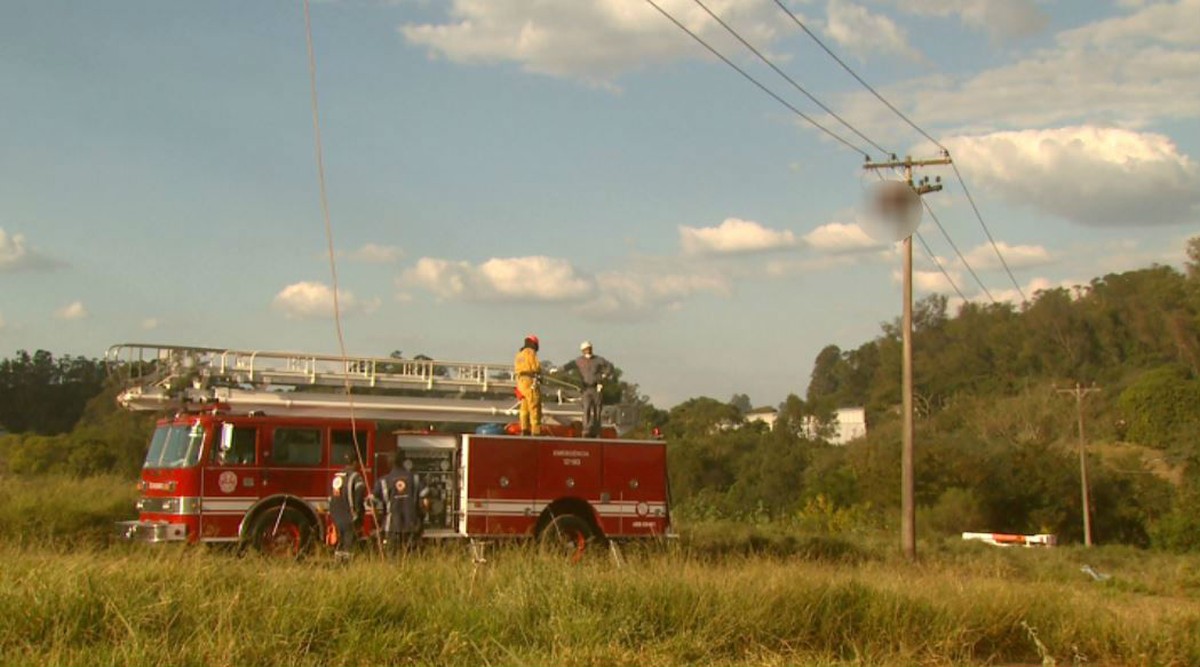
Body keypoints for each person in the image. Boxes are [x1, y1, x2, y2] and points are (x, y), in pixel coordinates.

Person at [372, 450, 423, 554]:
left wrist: (378, 522)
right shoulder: (415, 478)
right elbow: (425, 502)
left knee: (392, 558)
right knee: (411, 558)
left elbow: (372, 502)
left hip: (391, 526)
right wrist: (421, 520)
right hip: (412, 525)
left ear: (389, 463)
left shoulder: (382, 481)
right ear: (404, 461)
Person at [328, 454, 366, 560]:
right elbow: (359, 494)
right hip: (350, 516)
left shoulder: (336, 476)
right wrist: (358, 514)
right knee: (349, 544)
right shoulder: (356, 477)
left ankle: (338, 565)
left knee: (339, 543)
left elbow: (331, 496)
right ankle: (347, 567)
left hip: (336, 516)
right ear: (354, 462)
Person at [574, 341, 613, 438]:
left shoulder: (598, 359)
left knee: (597, 410)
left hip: (597, 388)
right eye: (586, 349)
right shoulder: (579, 361)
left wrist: (605, 374)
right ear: (582, 351)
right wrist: (557, 369)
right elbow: (568, 366)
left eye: (590, 348)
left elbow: (609, 366)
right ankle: (586, 430)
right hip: (586, 389)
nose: (588, 350)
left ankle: (597, 430)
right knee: (586, 409)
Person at [514, 334, 542, 436]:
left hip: (520, 382)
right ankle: (535, 430)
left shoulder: (519, 354)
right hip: (530, 381)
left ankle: (524, 429)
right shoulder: (531, 353)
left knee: (524, 407)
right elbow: (536, 367)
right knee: (534, 405)